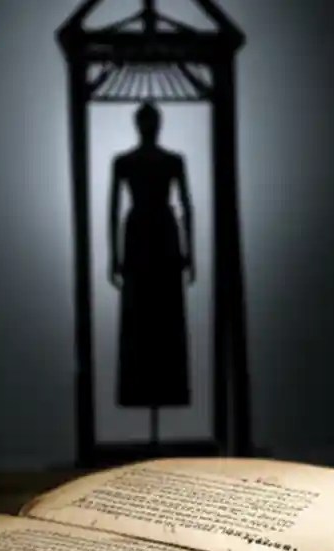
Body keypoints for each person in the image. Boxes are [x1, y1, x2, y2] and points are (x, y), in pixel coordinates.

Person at [108, 102, 194, 441]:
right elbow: (112, 210)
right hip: (147, 237)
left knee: (162, 320)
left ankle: (160, 390)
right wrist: (113, 256)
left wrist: (190, 252)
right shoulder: (128, 162)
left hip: (156, 237)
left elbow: (187, 206)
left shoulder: (168, 161)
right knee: (142, 320)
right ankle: (143, 389)